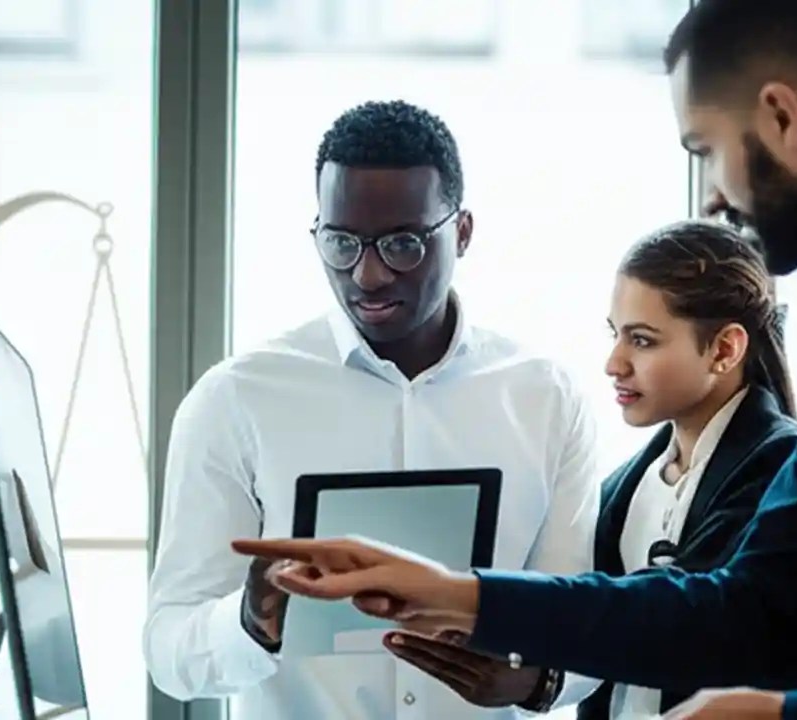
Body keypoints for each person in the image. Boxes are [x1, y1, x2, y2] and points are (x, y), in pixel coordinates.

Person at [232, 1, 797, 717]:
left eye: (707, 150)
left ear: (782, 116)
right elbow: (744, 608)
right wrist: (454, 593)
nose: (712, 197)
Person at [143, 100, 603, 720]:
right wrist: (250, 620)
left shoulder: (547, 400)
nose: (369, 274)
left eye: (403, 244)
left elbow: (590, 626)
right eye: (341, 243)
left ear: (462, 232)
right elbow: (169, 651)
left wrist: (532, 681)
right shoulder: (235, 399)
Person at [382, 220, 797, 718]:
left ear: (724, 349)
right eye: (616, 335)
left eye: (644, 341)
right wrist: (532, 679)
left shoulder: (782, 468)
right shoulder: (625, 487)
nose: (614, 362)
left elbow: (678, 621)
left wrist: (485, 606)